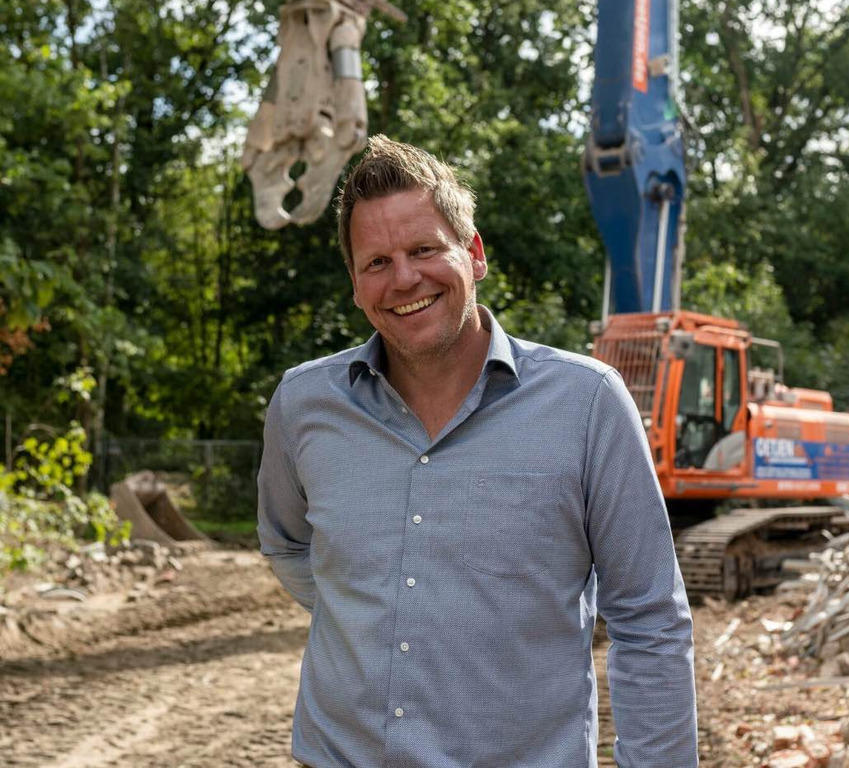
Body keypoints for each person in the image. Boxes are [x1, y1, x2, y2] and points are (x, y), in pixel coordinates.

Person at [257, 135, 699, 768]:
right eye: (376, 262)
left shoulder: (588, 405)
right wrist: (376, 605)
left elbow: (650, 620)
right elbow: (289, 545)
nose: (404, 277)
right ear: (354, 284)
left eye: (424, 249)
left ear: (475, 254)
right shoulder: (304, 405)